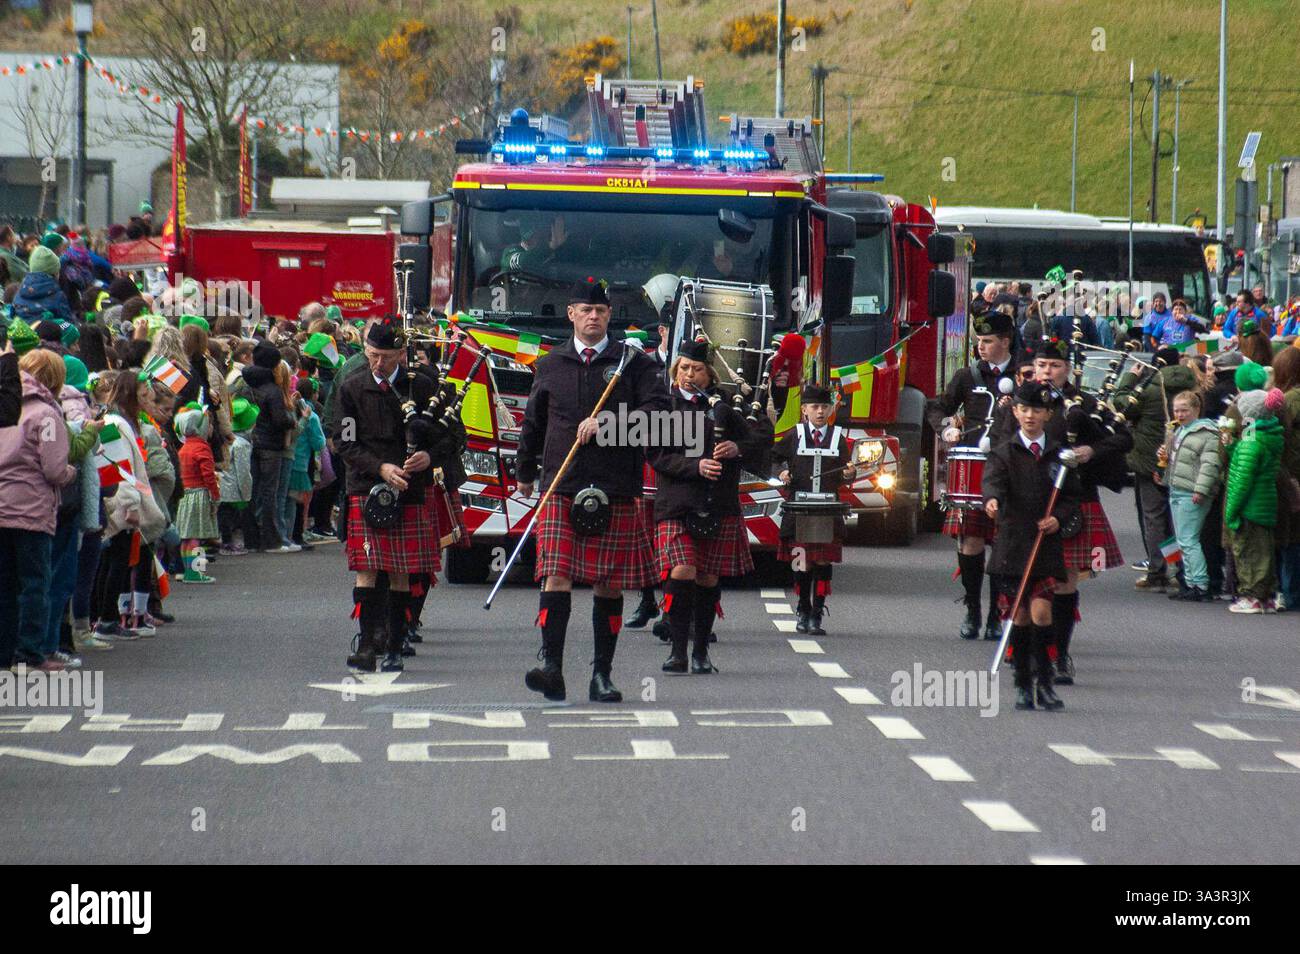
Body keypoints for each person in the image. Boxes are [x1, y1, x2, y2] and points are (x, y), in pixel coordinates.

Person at [515, 280, 669, 703]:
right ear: (571, 314)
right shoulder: (551, 365)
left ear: (608, 316)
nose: (593, 316)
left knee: (608, 584)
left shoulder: (633, 364)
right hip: (561, 486)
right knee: (555, 576)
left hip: (615, 485)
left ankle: (603, 675)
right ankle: (551, 666)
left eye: (600, 310)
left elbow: (659, 414)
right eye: (585, 310)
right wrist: (525, 471)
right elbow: (534, 423)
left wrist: (611, 424)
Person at [333, 318, 464, 673]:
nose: (378, 364)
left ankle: (393, 645)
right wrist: (381, 468)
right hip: (367, 486)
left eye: (387, 357)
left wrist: (429, 458)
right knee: (367, 568)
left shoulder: (425, 388)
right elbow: (344, 442)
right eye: (373, 355)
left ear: (402, 354)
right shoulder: (352, 388)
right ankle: (366, 644)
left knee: (401, 571)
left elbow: (454, 438)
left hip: (411, 488)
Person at [649, 339, 770, 672]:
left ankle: (701, 652)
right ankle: (677, 651)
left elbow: (760, 439)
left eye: (697, 369)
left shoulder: (727, 404)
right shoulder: (663, 405)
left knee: (706, 577)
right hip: (676, 503)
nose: (690, 374)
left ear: (709, 373)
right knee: (682, 569)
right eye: (684, 368)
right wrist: (696, 466)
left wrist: (736, 447)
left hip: (717, 503)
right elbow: (656, 454)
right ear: (675, 371)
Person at [1032, 338, 1130, 683]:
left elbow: (1122, 438)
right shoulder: (1023, 402)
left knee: (1064, 581)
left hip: (1075, 499)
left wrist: (1090, 450)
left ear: (1067, 369)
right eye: (1042, 365)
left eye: (1054, 366)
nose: (1047, 371)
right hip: (1031, 500)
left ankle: (1059, 656)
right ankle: (1028, 647)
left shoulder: (1085, 404)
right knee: (1026, 580)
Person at [981, 381, 1080, 711]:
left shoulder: (1058, 454)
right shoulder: (1004, 452)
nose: (1030, 416)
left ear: (1047, 414)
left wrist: (1058, 518)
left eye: (1037, 410)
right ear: (1016, 411)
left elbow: (1071, 497)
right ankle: (1022, 683)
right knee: (1020, 617)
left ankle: (1046, 683)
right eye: (1024, 409)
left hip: (1044, 544)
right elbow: (992, 482)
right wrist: (992, 500)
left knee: (1042, 613)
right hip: (1013, 545)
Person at [926, 310, 1017, 640]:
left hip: (1011, 468)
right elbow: (937, 406)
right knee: (971, 542)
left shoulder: (1024, 377)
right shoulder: (967, 376)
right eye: (979, 340)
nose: (981, 346)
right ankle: (973, 609)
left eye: (988, 341)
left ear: (1005, 342)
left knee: (1004, 545)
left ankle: (997, 612)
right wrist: (946, 427)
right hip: (973, 467)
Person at [0, 349, 77, 670]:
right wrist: (73, 472)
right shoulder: (46, 415)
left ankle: (4, 653)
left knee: (4, 585)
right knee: (35, 584)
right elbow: (55, 469)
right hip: (31, 510)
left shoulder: (7, 407)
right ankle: (30, 653)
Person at [772, 384, 855, 636]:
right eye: (815, 407)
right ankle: (802, 608)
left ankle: (817, 613)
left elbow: (845, 471)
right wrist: (782, 472)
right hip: (800, 506)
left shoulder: (837, 437)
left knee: (821, 559)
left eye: (824, 407)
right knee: (802, 561)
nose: (820, 412)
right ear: (804, 409)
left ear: (830, 409)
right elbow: (774, 458)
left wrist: (849, 473)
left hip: (827, 507)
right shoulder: (794, 435)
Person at [1114, 347, 1197, 592]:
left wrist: (1130, 378)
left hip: (1150, 460)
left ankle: (1158, 569)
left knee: (1154, 518)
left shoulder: (1150, 389)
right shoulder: (1192, 388)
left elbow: (1122, 406)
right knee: (1177, 518)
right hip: (1182, 460)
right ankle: (1179, 567)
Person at [626, 311, 672, 633]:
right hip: (644, 455)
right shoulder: (642, 362)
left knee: (673, 538)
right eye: (674, 327)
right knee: (643, 536)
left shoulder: (697, 362)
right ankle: (646, 600)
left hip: (681, 459)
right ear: (662, 330)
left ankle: (675, 609)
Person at [1223, 385, 1287, 613]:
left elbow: (1242, 479)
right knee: (1265, 551)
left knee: (1249, 552)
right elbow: (1245, 451)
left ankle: (1252, 596)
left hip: (1250, 505)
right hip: (1266, 502)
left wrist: (1231, 510)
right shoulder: (1268, 432)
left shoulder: (1251, 442)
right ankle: (1268, 596)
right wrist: (1232, 447)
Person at [1160, 390, 1224, 602]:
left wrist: (1201, 489)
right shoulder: (1180, 431)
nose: (1179, 414)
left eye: (1184, 410)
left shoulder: (1207, 433)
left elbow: (1210, 464)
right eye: (1176, 410)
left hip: (1191, 492)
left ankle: (1200, 584)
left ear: (1196, 409)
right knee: (1183, 540)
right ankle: (1190, 583)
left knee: (1189, 540)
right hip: (1176, 489)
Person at [241, 341, 297, 553]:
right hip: (271, 445)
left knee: (251, 492)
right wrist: (292, 421)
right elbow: (280, 419)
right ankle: (271, 540)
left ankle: (251, 539)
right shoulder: (273, 390)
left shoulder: (245, 383)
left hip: (249, 440)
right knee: (269, 493)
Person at [173, 404, 220, 584]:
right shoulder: (202, 447)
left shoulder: (184, 448)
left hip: (185, 495)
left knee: (186, 537)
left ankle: (187, 571)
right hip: (200, 494)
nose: (210, 428)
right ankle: (196, 573)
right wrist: (214, 495)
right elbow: (208, 475)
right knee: (196, 537)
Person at [1271, 347, 1300, 612]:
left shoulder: (1286, 400)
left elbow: (1281, 441)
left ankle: (1289, 593)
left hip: (1290, 474)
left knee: (1289, 537)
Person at [218, 397, 256, 556]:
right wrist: (246, 492)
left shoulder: (225, 440)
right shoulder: (242, 444)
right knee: (230, 518)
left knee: (223, 516)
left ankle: (225, 542)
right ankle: (228, 545)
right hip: (233, 488)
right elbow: (243, 471)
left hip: (220, 484)